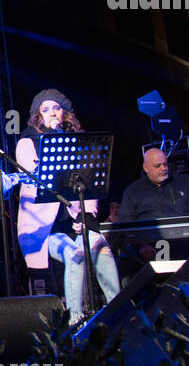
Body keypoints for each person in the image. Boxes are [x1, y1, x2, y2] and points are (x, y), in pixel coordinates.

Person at [14, 88, 120, 325]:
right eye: (46, 109)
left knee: (102, 249)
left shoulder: (77, 142)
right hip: (45, 225)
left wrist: (85, 213)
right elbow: (38, 177)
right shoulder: (27, 142)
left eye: (56, 108)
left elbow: (90, 185)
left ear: (65, 113)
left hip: (75, 218)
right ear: (37, 116)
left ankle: (118, 310)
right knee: (75, 255)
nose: (52, 112)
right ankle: (75, 319)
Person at [120, 148, 189, 222]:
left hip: (188, 240)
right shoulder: (133, 191)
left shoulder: (186, 182)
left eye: (165, 164)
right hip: (149, 245)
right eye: (157, 166)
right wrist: (141, 245)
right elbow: (126, 222)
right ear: (146, 167)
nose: (163, 168)